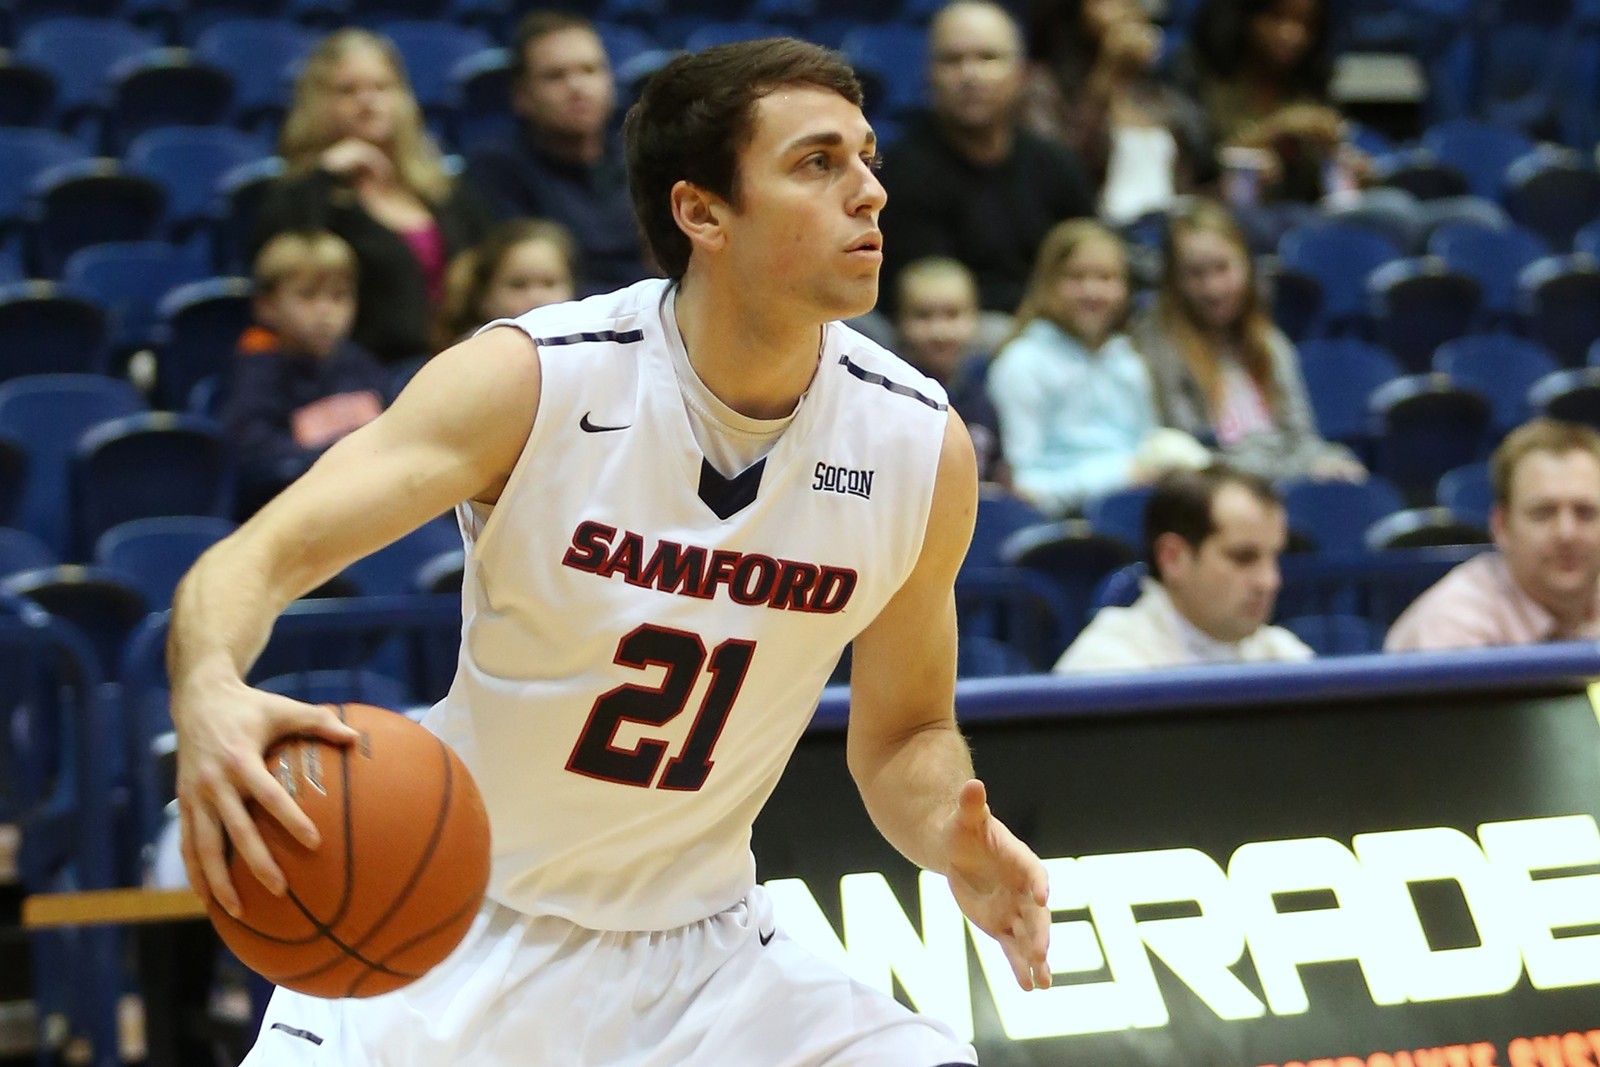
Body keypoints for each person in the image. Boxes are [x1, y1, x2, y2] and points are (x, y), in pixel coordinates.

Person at [171, 38, 1051, 1067]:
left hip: (703, 962)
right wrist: (207, 685)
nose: (868, 194)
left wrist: (951, 828)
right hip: (444, 929)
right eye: (817, 163)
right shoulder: (536, 381)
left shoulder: (916, 443)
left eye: (867, 158)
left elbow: (902, 736)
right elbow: (255, 558)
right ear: (702, 212)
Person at [253, 29, 492, 366]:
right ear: (319, 104)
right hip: (364, 374)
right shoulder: (305, 193)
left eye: (381, 87)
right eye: (348, 91)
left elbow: (488, 264)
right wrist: (325, 174)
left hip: (463, 361)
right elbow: (285, 266)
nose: (368, 101)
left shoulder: (439, 188)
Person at [878, 0, 1095, 331]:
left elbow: (1090, 260)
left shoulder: (1057, 164)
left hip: (1054, 334)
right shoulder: (898, 174)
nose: (970, 75)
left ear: (1021, 72)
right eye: (952, 60)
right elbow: (921, 300)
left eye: (988, 57)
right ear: (928, 74)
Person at [1131, 197, 1365, 484]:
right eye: (1195, 274)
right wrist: (1295, 469)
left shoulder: (1268, 341)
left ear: (1246, 266)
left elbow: (1301, 438)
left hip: (1281, 480)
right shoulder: (1160, 349)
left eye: (1222, 268)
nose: (1212, 288)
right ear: (1174, 281)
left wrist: (1327, 461)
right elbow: (1194, 457)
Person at [986, 219, 1206, 518]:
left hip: (1136, 510)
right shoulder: (1022, 362)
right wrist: (1121, 478)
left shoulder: (1128, 360)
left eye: (1106, 278)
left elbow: (1146, 447)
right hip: (1065, 523)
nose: (1092, 291)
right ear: (1047, 283)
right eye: (1076, 277)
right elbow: (1025, 485)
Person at [462, 11, 652, 291]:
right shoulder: (495, 170)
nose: (577, 88)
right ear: (521, 96)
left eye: (589, 70)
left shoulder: (642, 156)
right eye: (555, 76)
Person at [1056, 464, 1312, 671]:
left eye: (1274, 557)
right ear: (1173, 558)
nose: (1269, 581)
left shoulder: (1285, 657)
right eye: (1243, 558)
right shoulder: (1104, 669)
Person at [1385, 419, 1600, 652]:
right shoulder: (1450, 628)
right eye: (1543, 513)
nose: (1567, 533)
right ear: (1501, 526)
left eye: (1585, 512)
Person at [224, 231, 389, 517]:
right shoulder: (257, 376)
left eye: (339, 296)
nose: (325, 311)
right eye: (306, 296)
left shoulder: (361, 364)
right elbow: (257, 461)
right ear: (266, 306)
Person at [1022, 0, 1217, 223]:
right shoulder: (1044, 84)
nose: (1126, 10)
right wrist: (1108, 73)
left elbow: (1202, 163)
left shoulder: (1157, 93)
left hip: (1165, 228)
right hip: (1089, 230)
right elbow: (1057, 172)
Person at [1176, 0, 1367, 207]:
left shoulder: (1310, 87)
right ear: (1245, 16)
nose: (1292, 35)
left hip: (1301, 212)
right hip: (1222, 213)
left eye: (1307, 25)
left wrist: (1348, 164)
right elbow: (1200, 166)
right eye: (1278, 17)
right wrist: (1278, 127)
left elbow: (1322, 185)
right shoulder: (1200, 76)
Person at [894, 256, 1009, 485]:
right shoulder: (890, 393)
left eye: (952, 314)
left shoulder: (988, 385)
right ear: (899, 321)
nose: (939, 331)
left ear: (975, 318)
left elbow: (1000, 471)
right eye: (923, 316)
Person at [433, 218, 578, 350]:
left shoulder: (586, 350)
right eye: (518, 285)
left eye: (549, 283)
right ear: (484, 297)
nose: (536, 297)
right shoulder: (469, 351)